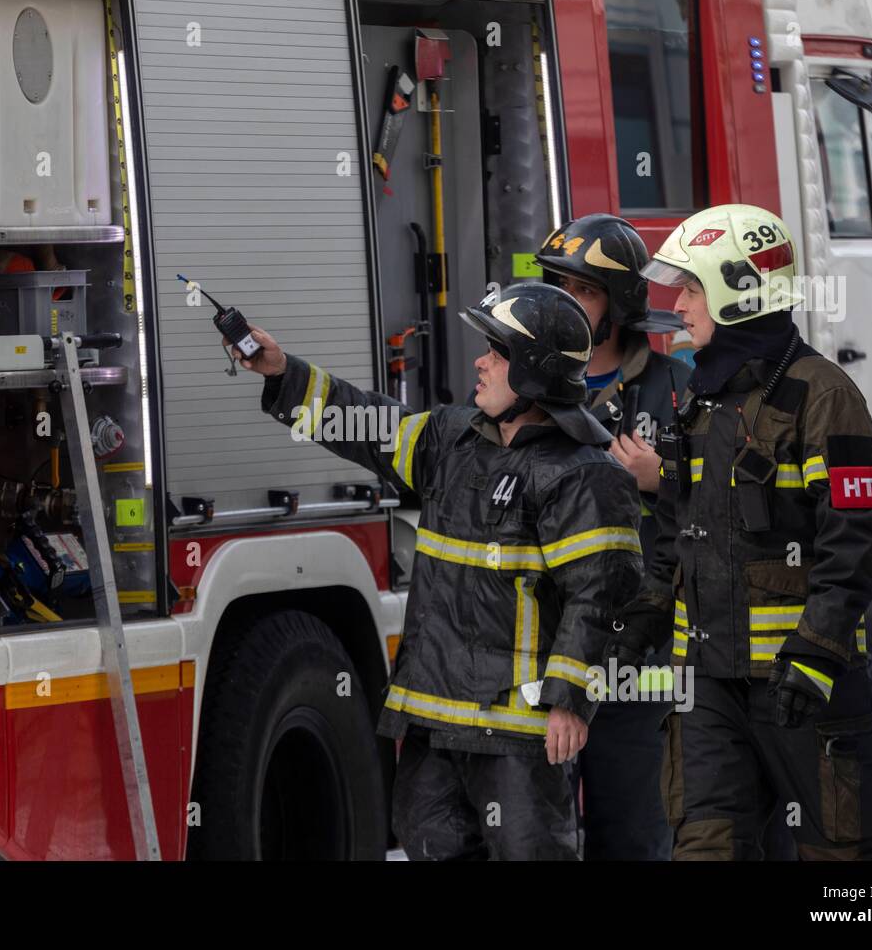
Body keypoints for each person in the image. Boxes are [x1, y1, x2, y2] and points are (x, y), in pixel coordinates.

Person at [230, 282, 643, 859]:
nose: (480, 361)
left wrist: (570, 701)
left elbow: (600, 599)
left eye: (497, 352)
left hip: (518, 735)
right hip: (433, 720)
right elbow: (367, 426)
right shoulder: (453, 439)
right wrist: (283, 374)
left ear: (532, 372)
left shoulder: (584, 475)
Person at [608, 203, 872, 860]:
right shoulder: (700, 398)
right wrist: (640, 621)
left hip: (802, 689)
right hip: (707, 689)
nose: (677, 306)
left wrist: (815, 654)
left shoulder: (825, 397)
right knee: (708, 849)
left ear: (739, 290)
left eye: (691, 288)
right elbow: (675, 529)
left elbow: (856, 540)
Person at [535, 213, 689, 860]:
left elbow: (735, 508)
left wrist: (664, 480)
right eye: (556, 285)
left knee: (630, 839)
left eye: (585, 290)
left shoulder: (678, 392)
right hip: (540, 655)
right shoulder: (522, 388)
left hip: (637, 662)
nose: (565, 302)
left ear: (621, 303)